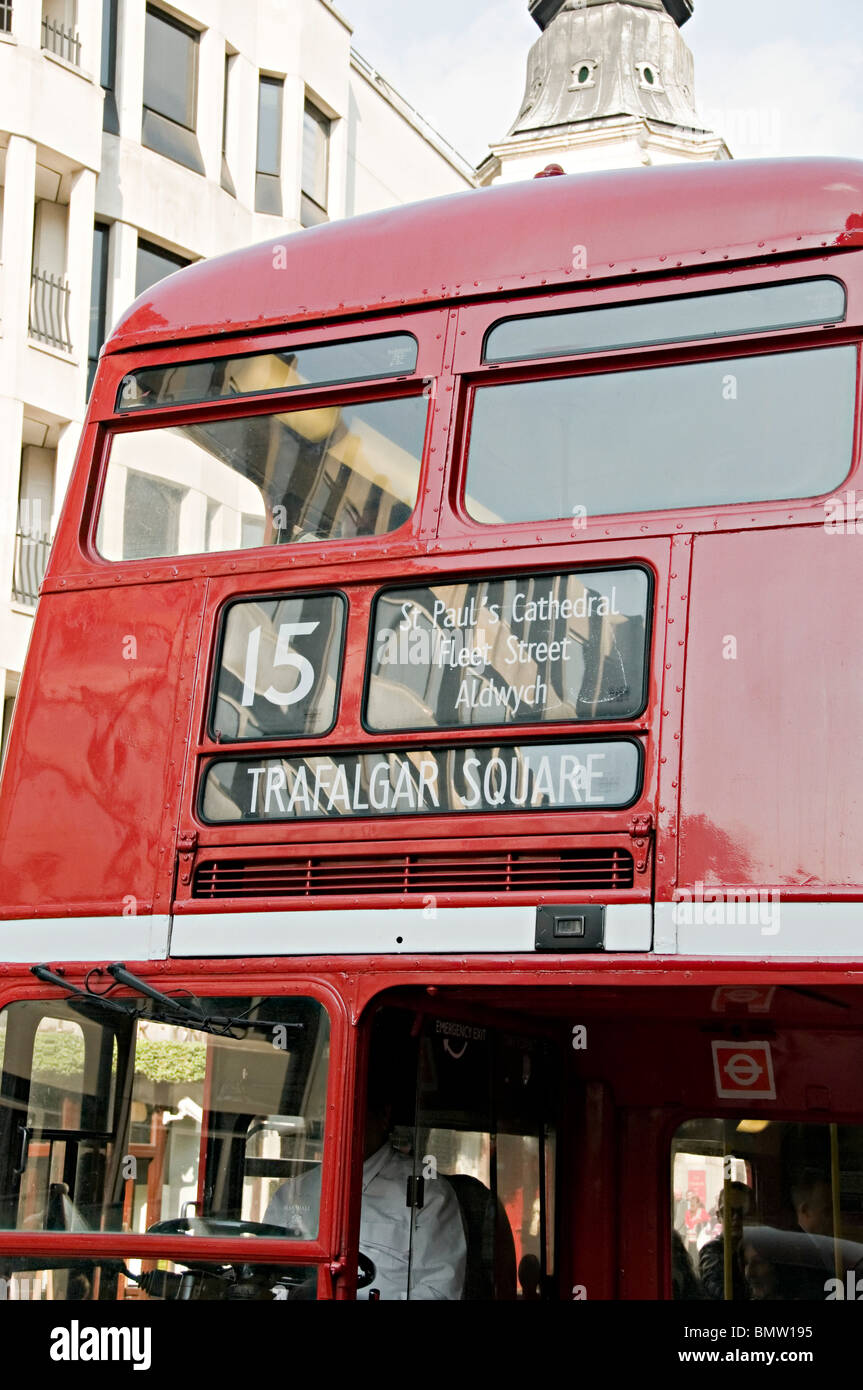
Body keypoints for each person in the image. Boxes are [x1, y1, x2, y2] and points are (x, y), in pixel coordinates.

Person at [265, 1077, 467, 1301]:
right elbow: (266, 1280)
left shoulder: (427, 1192)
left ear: (383, 1116)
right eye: (327, 1113)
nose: (335, 1123)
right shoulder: (291, 1195)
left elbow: (439, 1292)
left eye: (348, 1111)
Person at [699, 1182, 752, 1300]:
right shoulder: (713, 1250)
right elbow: (716, 1286)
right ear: (718, 1216)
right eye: (728, 1211)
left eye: (742, 1212)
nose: (735, 1218)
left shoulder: (758, 1247)